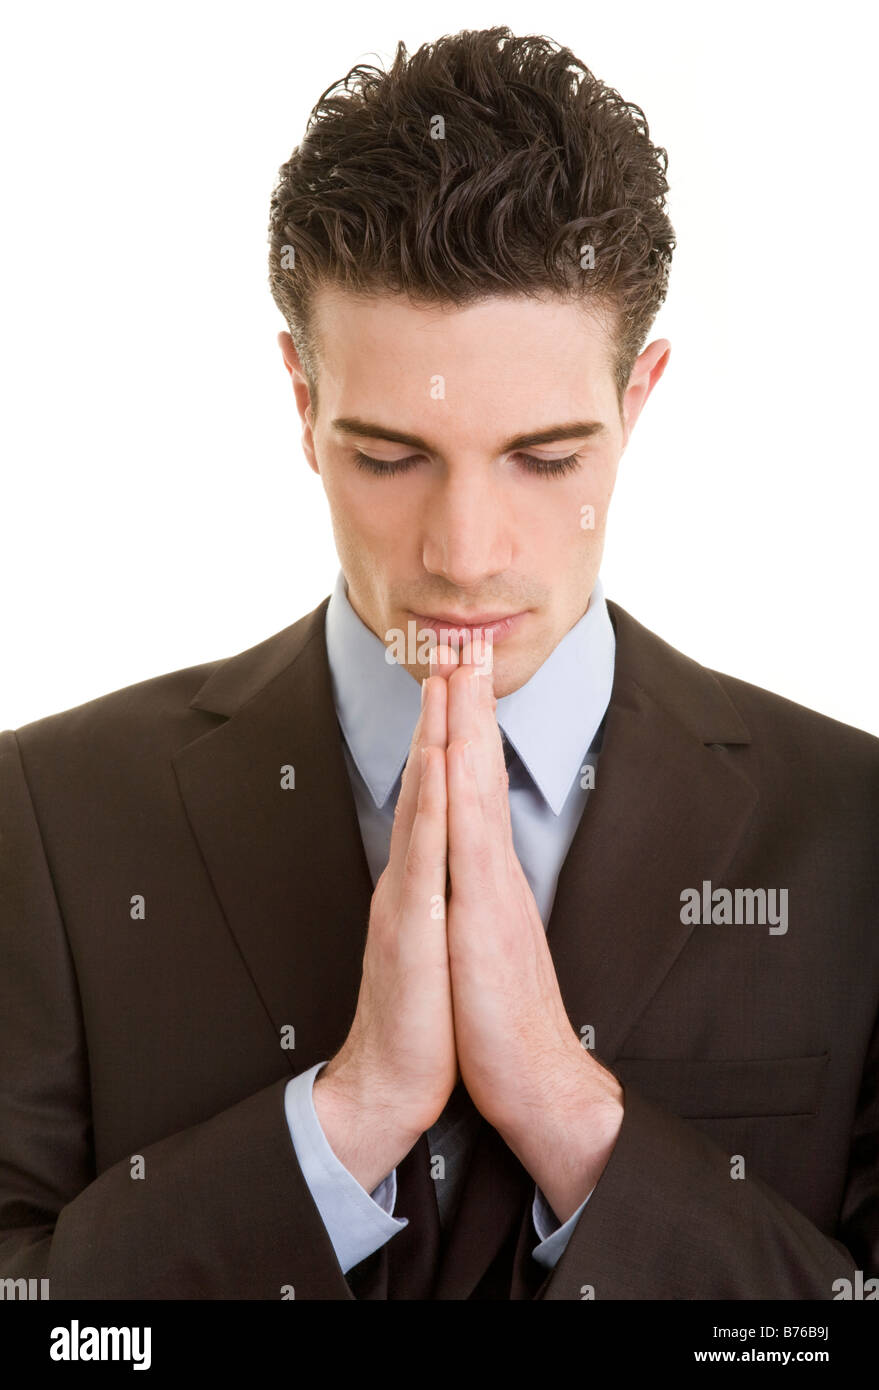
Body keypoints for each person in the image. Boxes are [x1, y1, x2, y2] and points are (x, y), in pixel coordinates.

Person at [1, 25, 876, 1302]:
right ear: (302, 404)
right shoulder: (45, 818)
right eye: (390, 455)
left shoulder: (857, 833)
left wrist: (577, 1119)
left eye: (545, 457)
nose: (465, 555)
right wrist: (343, 1123)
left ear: (640, 404)